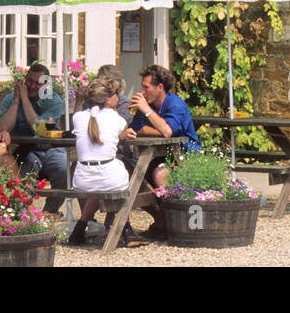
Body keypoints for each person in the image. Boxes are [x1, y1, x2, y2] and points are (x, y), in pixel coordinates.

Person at [122, 64, 200, 236]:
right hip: (155, 157)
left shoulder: (175, 104)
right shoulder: (146, 107)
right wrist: (150, 125)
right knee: (129, 176)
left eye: (146, 87)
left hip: (184, 156)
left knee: (159, 174)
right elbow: (136, 130)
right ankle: (163, 221)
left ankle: (176, 224)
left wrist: (148, 113)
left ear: (160, 87)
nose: (142, 91)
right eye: (142, 87)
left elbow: (167, 131)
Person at [68, 79, 141, 247]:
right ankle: (126, 228)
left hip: (82, 180)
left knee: (100, 180)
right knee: (120, 173)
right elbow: (122, 136)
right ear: (108, 99)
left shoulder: (79, 117)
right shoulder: (116, 119)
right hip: (109, 178)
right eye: (114, 94)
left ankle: (81, 226)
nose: (118, 97)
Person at [0, 63, 67, 211]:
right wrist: (17, 101)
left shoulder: (54, 100)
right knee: (18, 179)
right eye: (29, 81)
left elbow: (39, 129)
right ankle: (26, 215)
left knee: (63, 171)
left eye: (38, 83)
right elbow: (1, 128)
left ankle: (49, 212)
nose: (32, 86)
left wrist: (25, 100)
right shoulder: (11, 98)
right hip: (25, 150)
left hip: (51, 148)